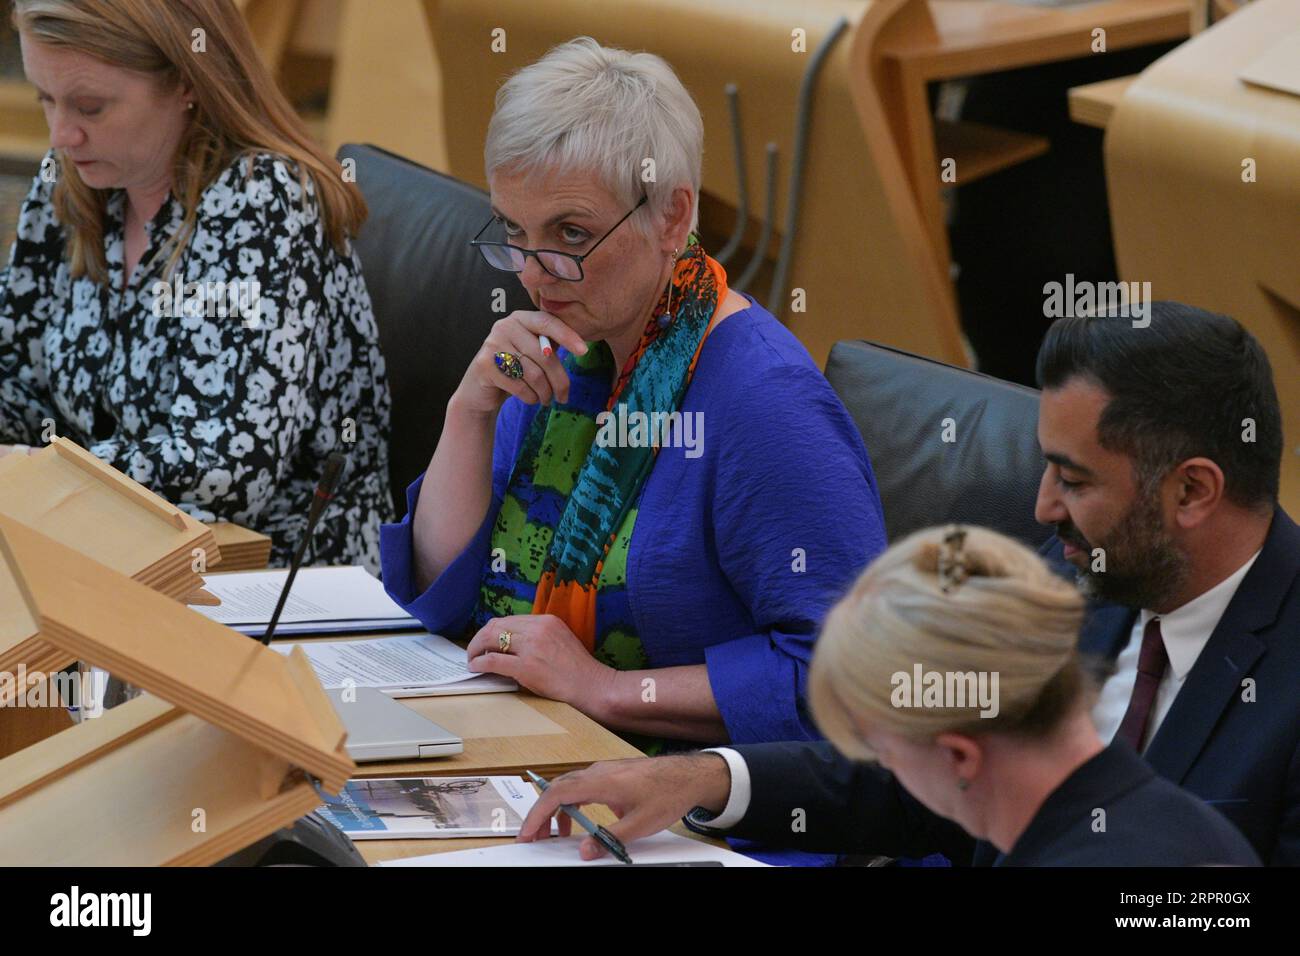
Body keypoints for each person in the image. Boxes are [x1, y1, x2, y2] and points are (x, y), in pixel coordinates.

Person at [517, 303, 1299, 864]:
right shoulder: (1085, 567)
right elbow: (926, 764)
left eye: (1074, 479)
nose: (1041, 507)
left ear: (1192, 493)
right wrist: (708, 775)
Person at [379, 37, 886, 748]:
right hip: (529, 746)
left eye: (572, 233)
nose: (535, 273)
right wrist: (470, 413)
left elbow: (847, 678)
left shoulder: (765, 403)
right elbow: (443, 587)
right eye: (515, 233)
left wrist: (607, 689)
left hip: (694, 809)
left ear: (672, 218)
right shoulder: (563, 346)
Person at [0, 0, 391, 571]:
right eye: (45, 99)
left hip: (271, 577)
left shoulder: (262, 204)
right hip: (106, 539)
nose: (61, 133)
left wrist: (40, 472)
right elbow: (18, 374)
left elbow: (228, 469)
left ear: (186, 79)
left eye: (90, 106)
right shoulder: (72, 179)